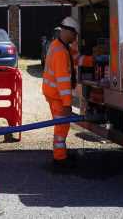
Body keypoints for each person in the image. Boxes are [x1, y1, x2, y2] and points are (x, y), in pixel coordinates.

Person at [42, 16, 79, 173]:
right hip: (57, 97)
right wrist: (67, 104)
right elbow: (63, 81)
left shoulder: (59, 46)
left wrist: (93, 59)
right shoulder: (61, 52)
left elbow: (76, 59)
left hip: (52, 93)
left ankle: (60, 155)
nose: (76, 37)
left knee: (61, 126)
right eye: (75, 34)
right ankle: (59, 159)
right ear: (67, 32)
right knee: (62, 127)